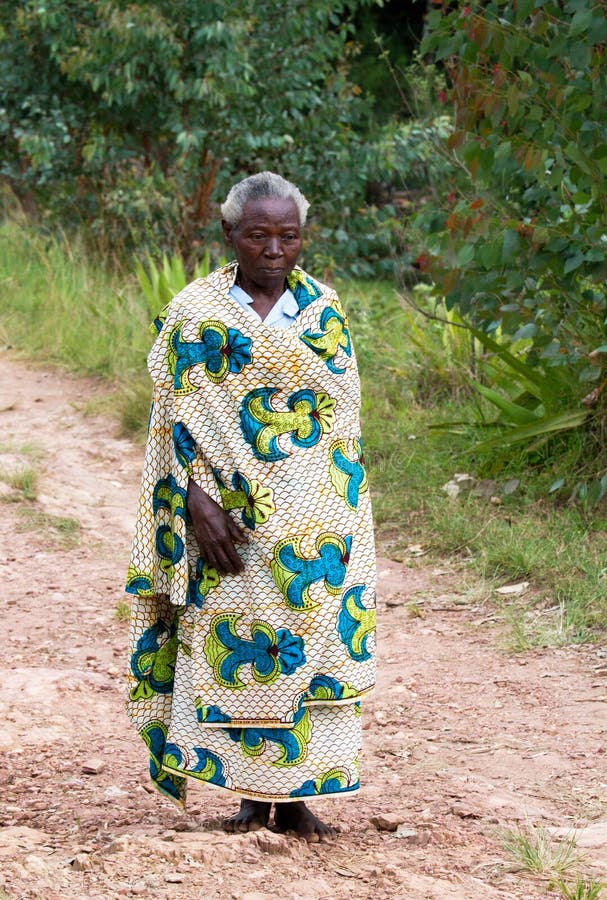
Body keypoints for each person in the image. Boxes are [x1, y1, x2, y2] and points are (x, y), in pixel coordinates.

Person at [126, 171, 376, 841]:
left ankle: (294, 798)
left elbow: (341, 423)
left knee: (309, 650)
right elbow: (172, 418)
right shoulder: (196, 312)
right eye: (258, 235)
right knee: (238, 648)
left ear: (302, 238)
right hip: (226, 518)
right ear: (228, 234)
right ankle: (246, 793)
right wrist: (195, 501)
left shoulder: (323, 310)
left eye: (287, 236)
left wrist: (332, 511)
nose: (273, 250)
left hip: (315, 519)